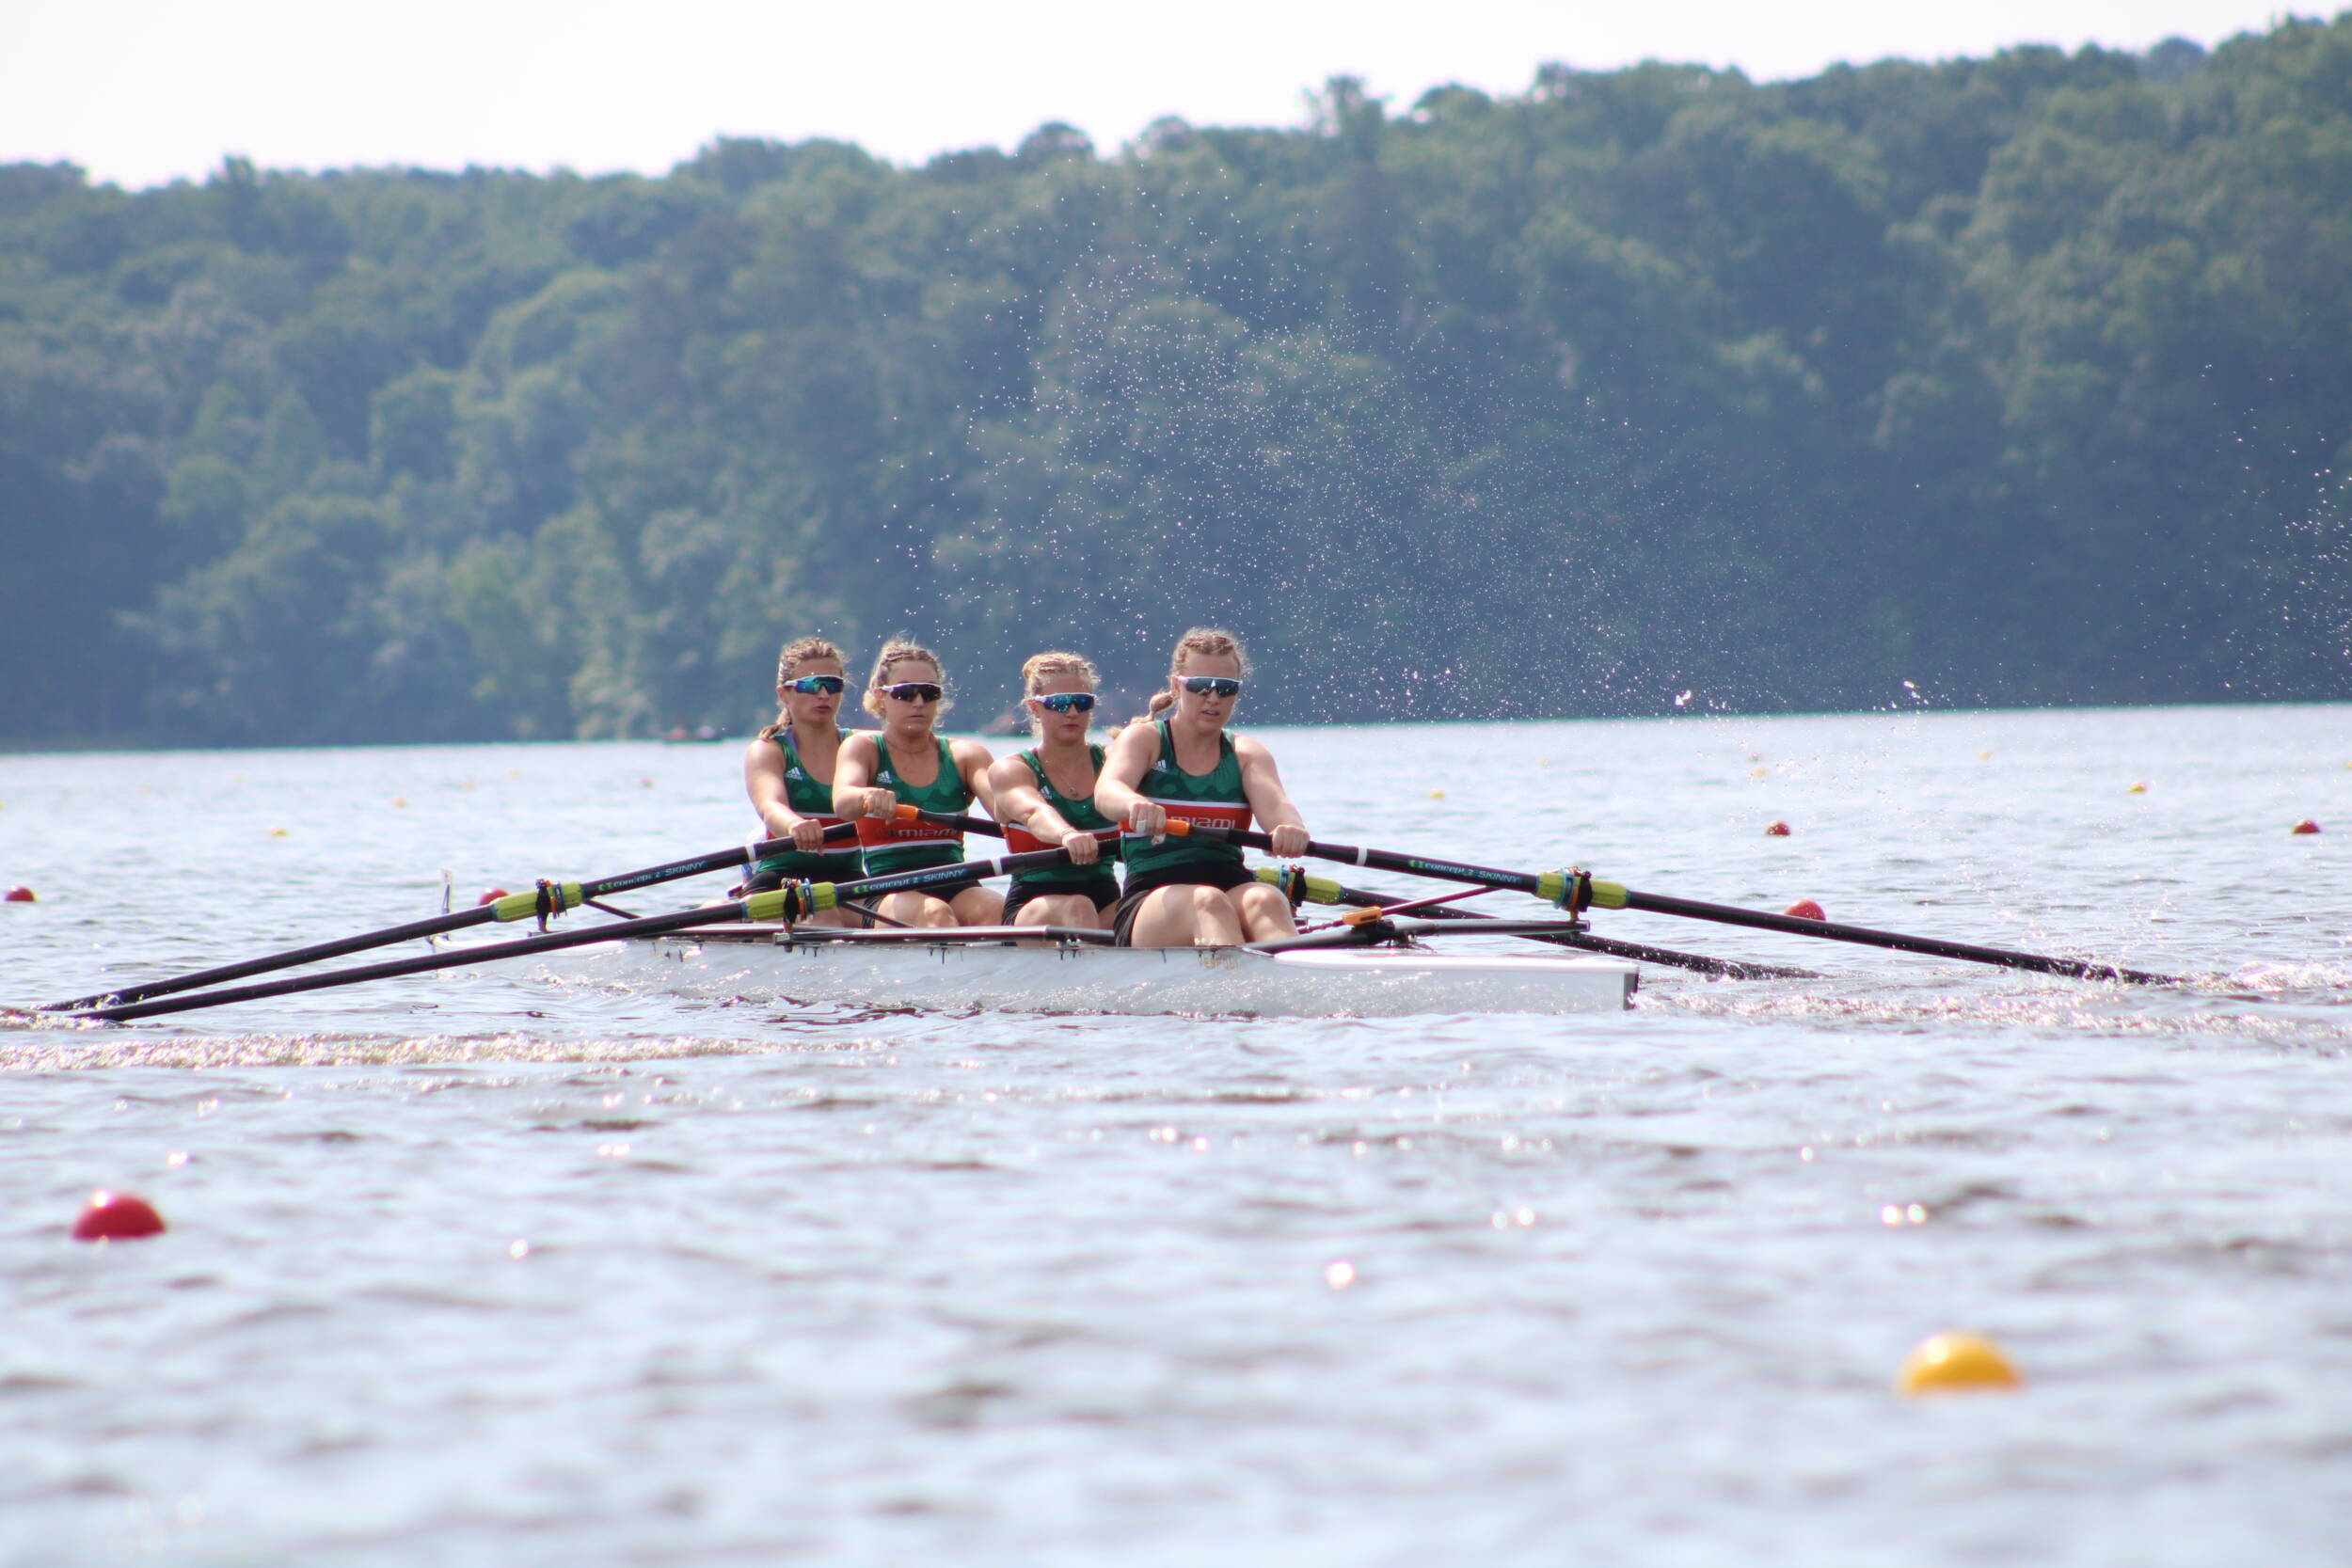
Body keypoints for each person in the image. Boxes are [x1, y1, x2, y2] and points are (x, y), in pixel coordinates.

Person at [1095, 627, 1311, 946]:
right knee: (1207, 901)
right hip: (1151, 897)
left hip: (1231, 885)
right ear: (1176, 686)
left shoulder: (1246, 754)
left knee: (1266, 898)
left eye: (1226, 689)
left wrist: (1289, 828)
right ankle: (1235, 987)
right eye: (1200, 686)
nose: (1213, 698)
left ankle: (1296, 986)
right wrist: (1133, 805)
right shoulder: (1146, 740)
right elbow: (1107, 791)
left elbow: (1277, 806)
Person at [834, 640, 1005, 928]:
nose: (918, 702)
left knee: (996, 908)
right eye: (904, 693)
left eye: (929, 693)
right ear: (880, 697)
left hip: (957, 882)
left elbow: (1005, 809)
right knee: (934, 913)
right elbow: (843, 802)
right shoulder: (863, 748)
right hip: (888, 888)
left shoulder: (965, 755)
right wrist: (865, 795)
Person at [985, 651, 1121, 930]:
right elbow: (1034, 812)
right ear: (1035, 708)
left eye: (1082, 703)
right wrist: (1066, 834)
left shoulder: (1113, 762)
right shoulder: (1011, 770)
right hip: (1033, 903)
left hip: (1106, 899)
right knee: (1079, 906)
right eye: (1059, 704)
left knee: (1159, 898)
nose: (1072, 712)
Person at [739, 635, 863, 927]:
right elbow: (770, 806)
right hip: (784, 873)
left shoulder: (862, 746)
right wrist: (795, 826)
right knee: (824, 915)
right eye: (810, 685)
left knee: (900, 916)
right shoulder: (769, 750)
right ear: (784, 694)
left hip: (849, 878)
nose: (823, 695)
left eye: (832, 685)